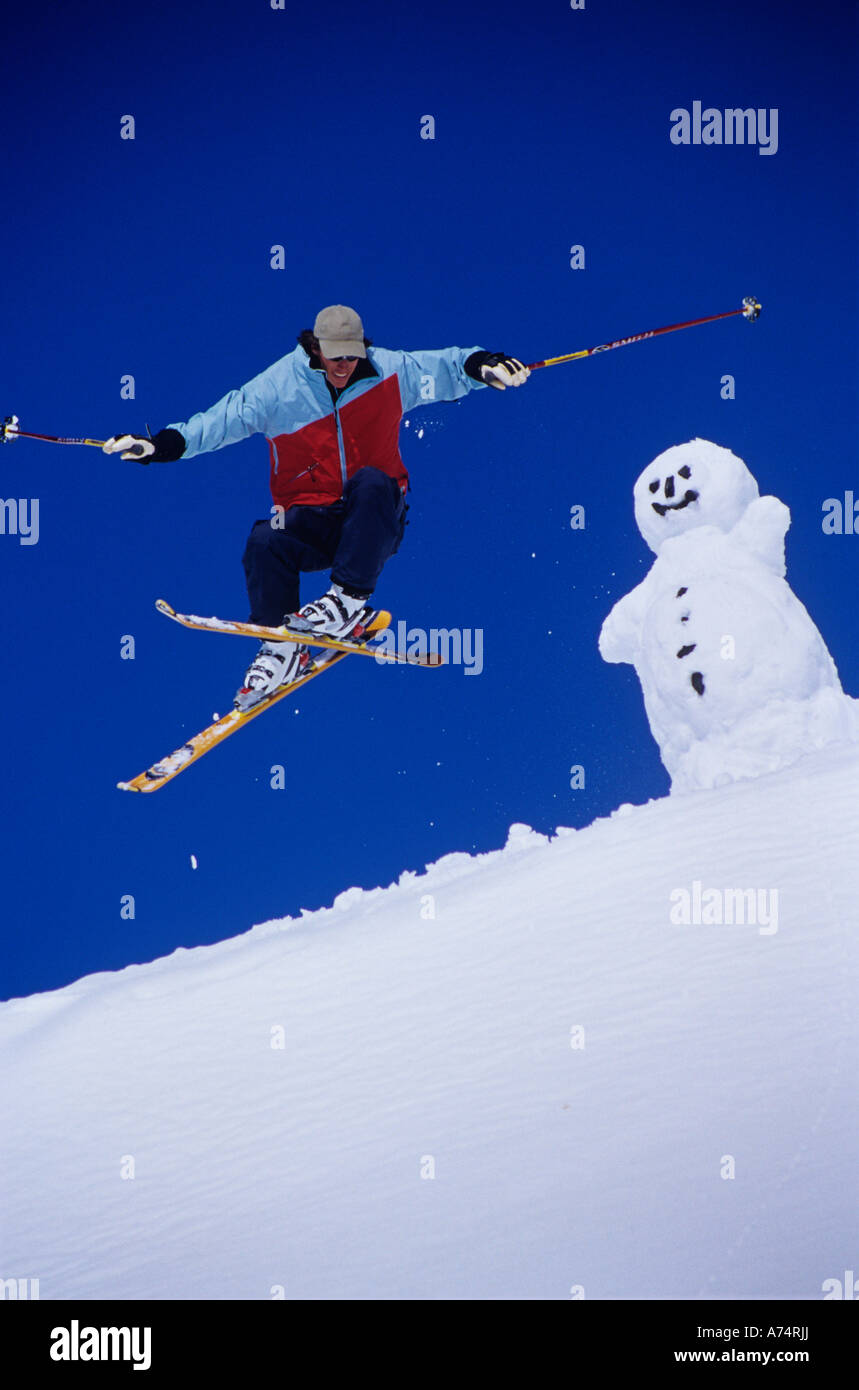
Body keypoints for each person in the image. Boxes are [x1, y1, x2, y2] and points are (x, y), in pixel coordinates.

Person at [104, 305, 530, 708]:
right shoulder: (277, 388)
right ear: (314, 348)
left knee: (371, 480)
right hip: (316, 521)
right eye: (334, 357)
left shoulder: (390, 371)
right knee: (266, 537)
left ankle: (345, 602)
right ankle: (281, 648)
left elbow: (449, 366)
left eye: (352, 356)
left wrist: (485, 364)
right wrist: (158, 445)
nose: (344, 366)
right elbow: (216, 423)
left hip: (375, 518)